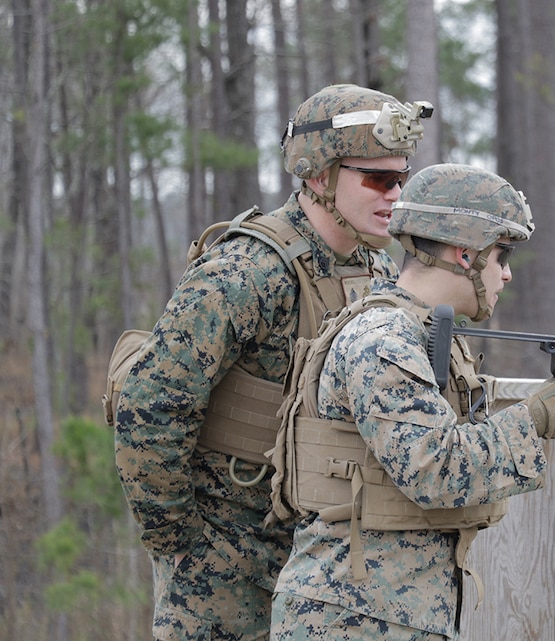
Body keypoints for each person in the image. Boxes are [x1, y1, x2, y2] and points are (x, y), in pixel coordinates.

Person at [114, 83, 432, 641]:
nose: (394, 195)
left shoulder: (376, 273)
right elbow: (149, 408)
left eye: (402, 178)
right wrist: (180, 542)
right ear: (318, 176)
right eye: (379, 179)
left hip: (321, 563)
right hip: (225, 564)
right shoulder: (245, 271)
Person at [269, 163, 555, 640]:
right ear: (465, 254)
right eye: (501, 256)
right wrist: (535, 417)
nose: (507, 274)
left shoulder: (423, 331)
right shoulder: (385, 340)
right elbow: (433, 467)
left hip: (386, 611)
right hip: (351, 618)